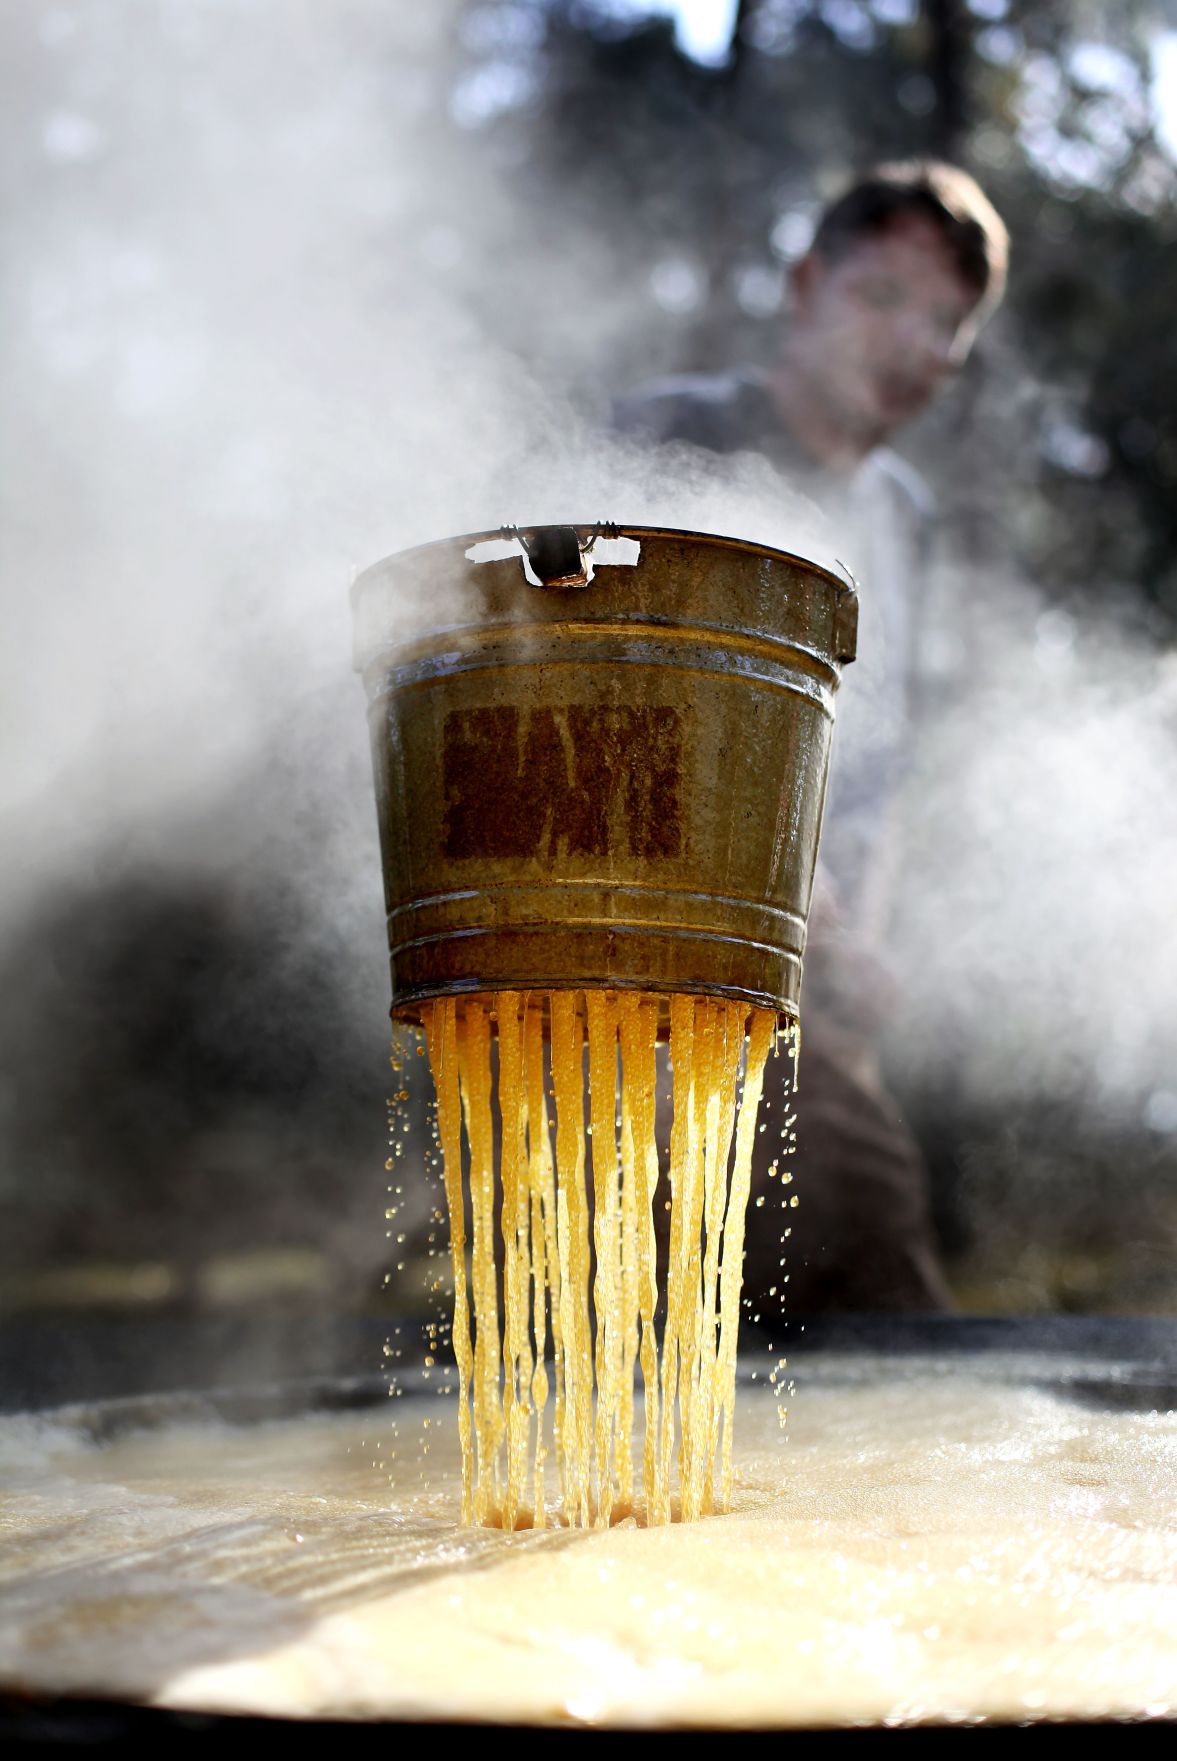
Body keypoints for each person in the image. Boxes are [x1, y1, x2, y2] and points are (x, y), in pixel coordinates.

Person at [615, 160, 1009, 1313]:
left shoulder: (903, 517)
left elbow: (883, 771)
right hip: (643, 967)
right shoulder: (671, 437)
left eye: (948, 326)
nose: (916, 348)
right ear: (804, 285)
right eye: (884, 299)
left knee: (781, 1329)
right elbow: (589, 683)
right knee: (864, 1265)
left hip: (812, 992)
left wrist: (859, 938)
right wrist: (792, 901)